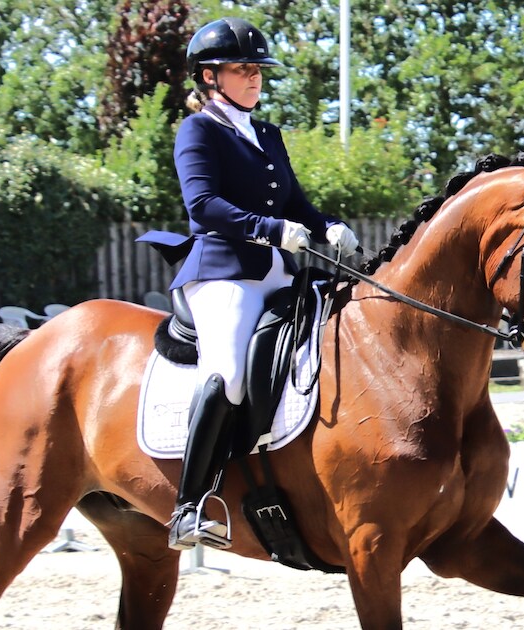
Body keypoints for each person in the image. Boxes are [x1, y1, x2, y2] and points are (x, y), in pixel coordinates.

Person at [163, 16, 360, 551]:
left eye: (258, 70)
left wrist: (326, 226)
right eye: (243, 69)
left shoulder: (266, 132)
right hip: (223, 272)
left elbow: (293, 201)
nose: (255, 79)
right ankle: (189, 506)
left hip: (278, 273)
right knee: (227, 374)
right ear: (209, 77)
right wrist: (270, 229)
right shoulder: (198, 130)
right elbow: (203, 204)